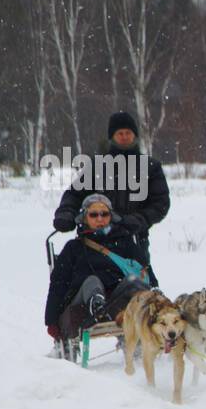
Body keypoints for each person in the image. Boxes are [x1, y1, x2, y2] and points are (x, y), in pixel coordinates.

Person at [45, 194, 157, 358]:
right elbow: (57, 285)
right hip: (82, 307)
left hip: (118, 302)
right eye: (94, 214)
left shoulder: (124, 243)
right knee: (92, 281)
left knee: (133, 282)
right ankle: (97, 306)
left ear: (111, 216)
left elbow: (145, 270)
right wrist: (52, 321)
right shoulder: (74, 248)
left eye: (104, 214)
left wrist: (155, 291)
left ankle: (137, 339)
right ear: (84, 217)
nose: (100, 219)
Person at [53, 111, 170, 263]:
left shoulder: (150, 167)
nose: (124, 136)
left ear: (134, 135)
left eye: (128, 132)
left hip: (134, 239)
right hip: (96, 239)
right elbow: (74, 195)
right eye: (119, 133)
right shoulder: (97, 165)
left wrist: (138, 220)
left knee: (139, 282)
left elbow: (160, 203)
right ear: (112, 137)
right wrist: (66, 213)